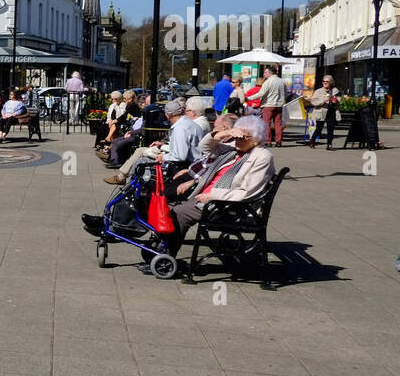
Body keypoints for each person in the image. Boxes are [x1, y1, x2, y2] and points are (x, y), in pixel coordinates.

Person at [159, 115, 275, 258]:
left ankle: (166, 257)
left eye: (243, 137)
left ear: (256, 139)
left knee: (179, 212)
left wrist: (211, 196)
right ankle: (160, 248)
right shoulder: (235, 148)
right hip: (208, 196)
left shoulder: (262, 157)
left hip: (228, 206)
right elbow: (204, 146)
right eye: (236, 136)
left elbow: (246, 193)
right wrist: (226, 133)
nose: (237, 140)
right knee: (163, 202)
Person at [102, 98, 203, 185]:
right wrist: (162, 144)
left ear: (167, 115)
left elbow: (180, 156)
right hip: (191, 162)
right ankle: (123, 178)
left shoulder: (180, 128)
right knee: (141, 152)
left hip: (184, 165)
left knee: (141, 161)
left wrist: (163, 156)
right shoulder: (189, 124)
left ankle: (127, 182)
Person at [307, 75, 339, 149]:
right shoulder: (318, 91)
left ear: (331, 82)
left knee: (330, 129)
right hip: (320, 112)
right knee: (319, 129)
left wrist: (336, 101)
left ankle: (329, 145)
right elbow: (313, 102)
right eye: (323, 81)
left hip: (331, 112)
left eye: (327, 81)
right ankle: (312, 140)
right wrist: (323, 101)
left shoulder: (335, 90)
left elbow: (339, 100)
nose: (325, 83)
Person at [258, 65, 286, 146]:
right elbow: (285, 93)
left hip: (269, 105)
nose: (264, 74)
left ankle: (268, 141)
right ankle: (279, 141)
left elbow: (261, 93)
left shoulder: (267, 82)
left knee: (267, 123)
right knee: (278, 123)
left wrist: (248, 98)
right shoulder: (282, 81)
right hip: (279, 105)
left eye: (265, 72)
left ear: (270, 73)